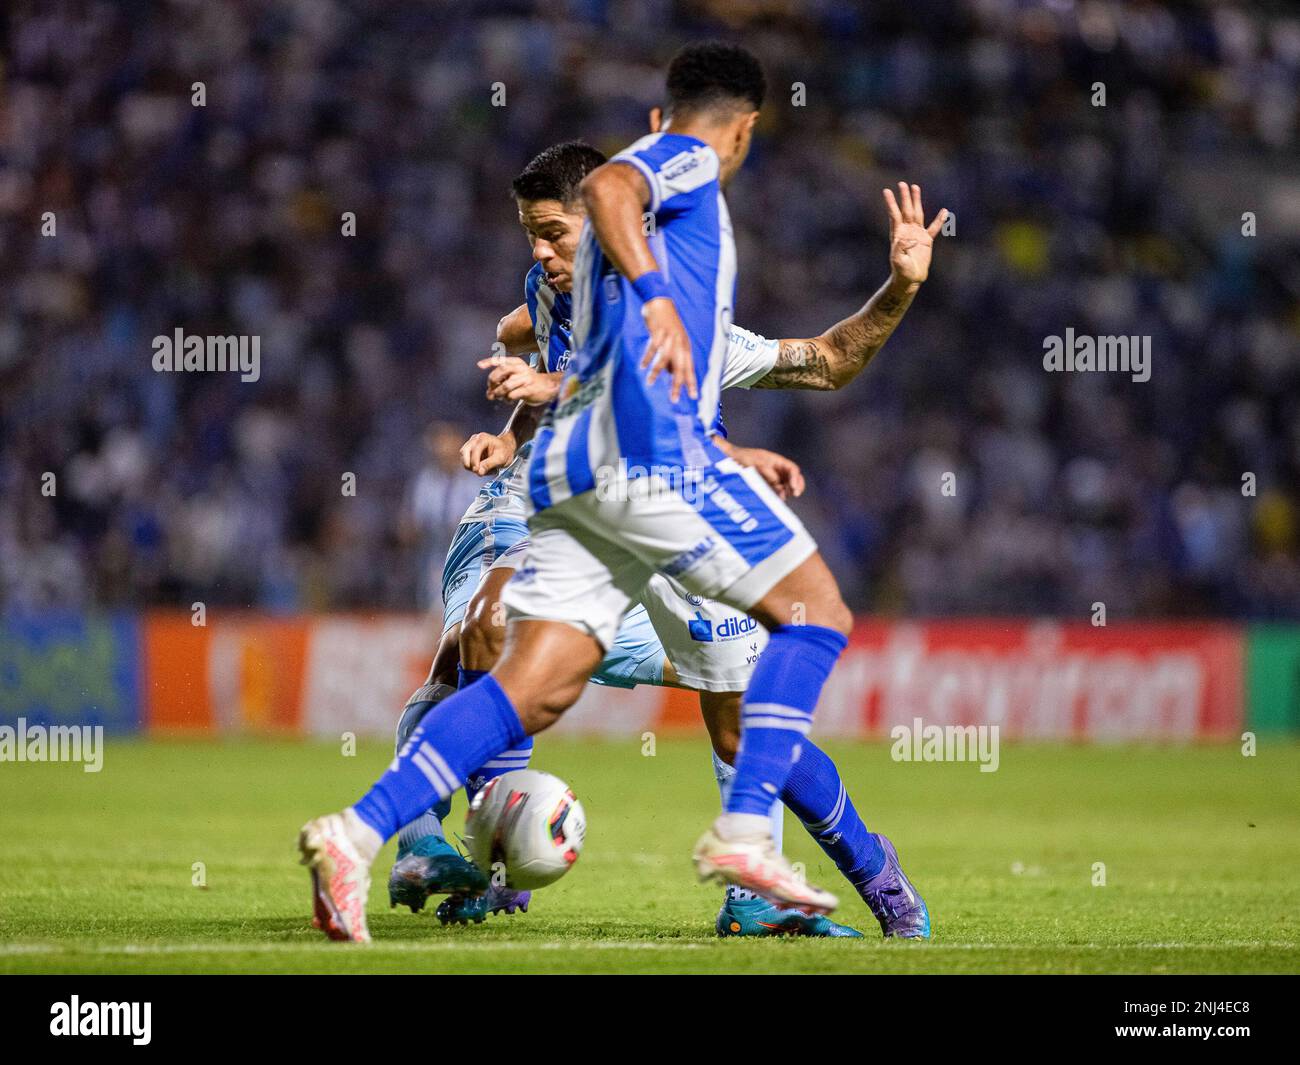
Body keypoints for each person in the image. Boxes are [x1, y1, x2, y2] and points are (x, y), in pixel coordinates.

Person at [299, 41, 926, 943]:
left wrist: (899, 286)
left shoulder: (630, 283)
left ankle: (356, 833)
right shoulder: (681, 172)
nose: (547, 253)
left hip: (591, 492)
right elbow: (609, 205)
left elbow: (824, 360)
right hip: (645, 481)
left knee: (537, 688)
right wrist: (654, 305)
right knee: (814, 616)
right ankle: (750, 842)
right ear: (740, 128)